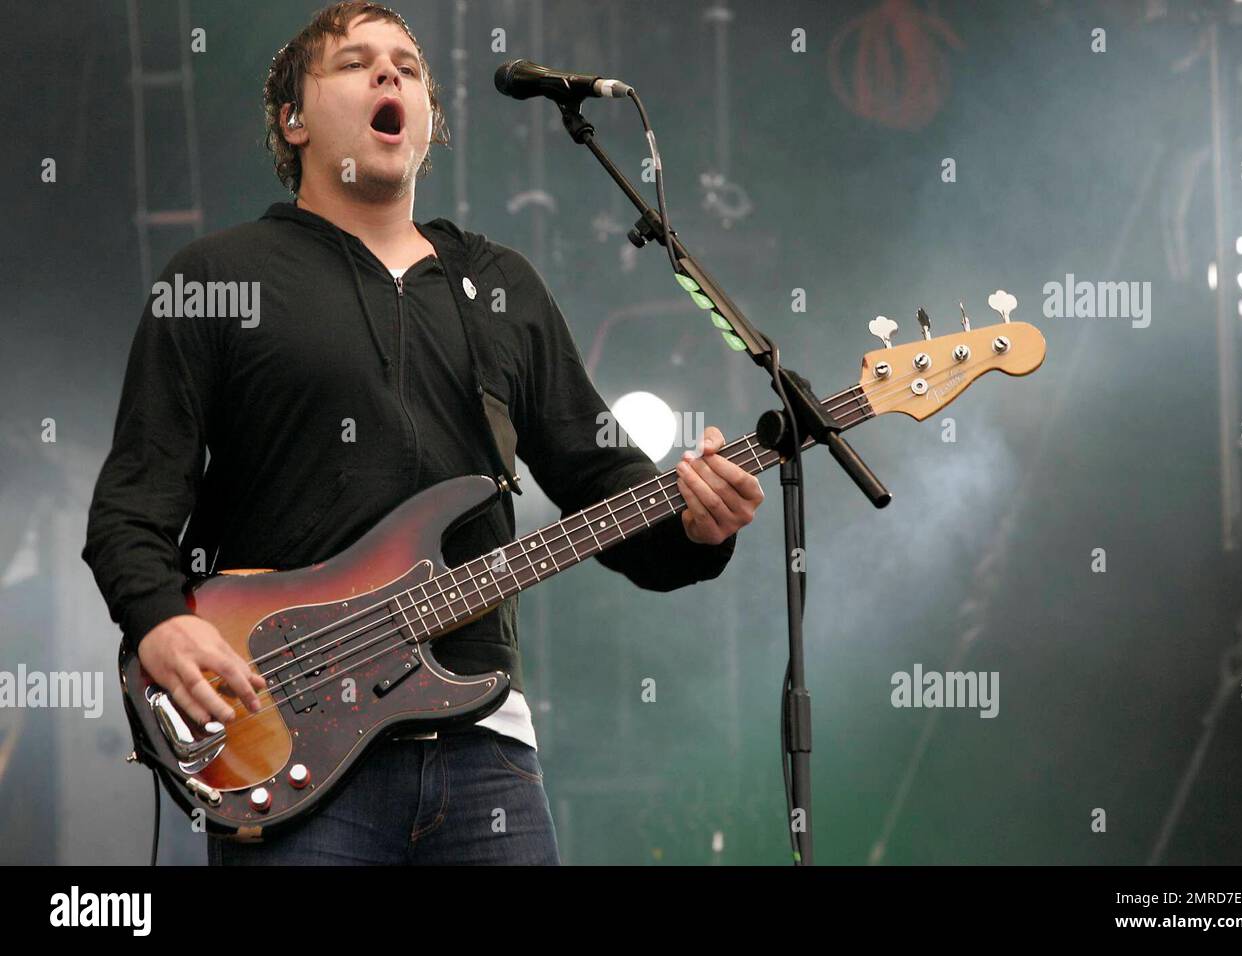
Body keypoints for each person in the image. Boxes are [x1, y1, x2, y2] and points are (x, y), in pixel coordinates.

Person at [82, 1, 764, 865]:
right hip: (291, 748)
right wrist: (157, 621)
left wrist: (697, 527)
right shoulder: (220, 277)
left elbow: (605, 486)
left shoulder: (498, 283)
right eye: (355, 62)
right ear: (293, 120)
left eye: (407, 64)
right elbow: (131, 507)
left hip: (486, 752)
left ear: (429, 120)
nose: (390, 74)